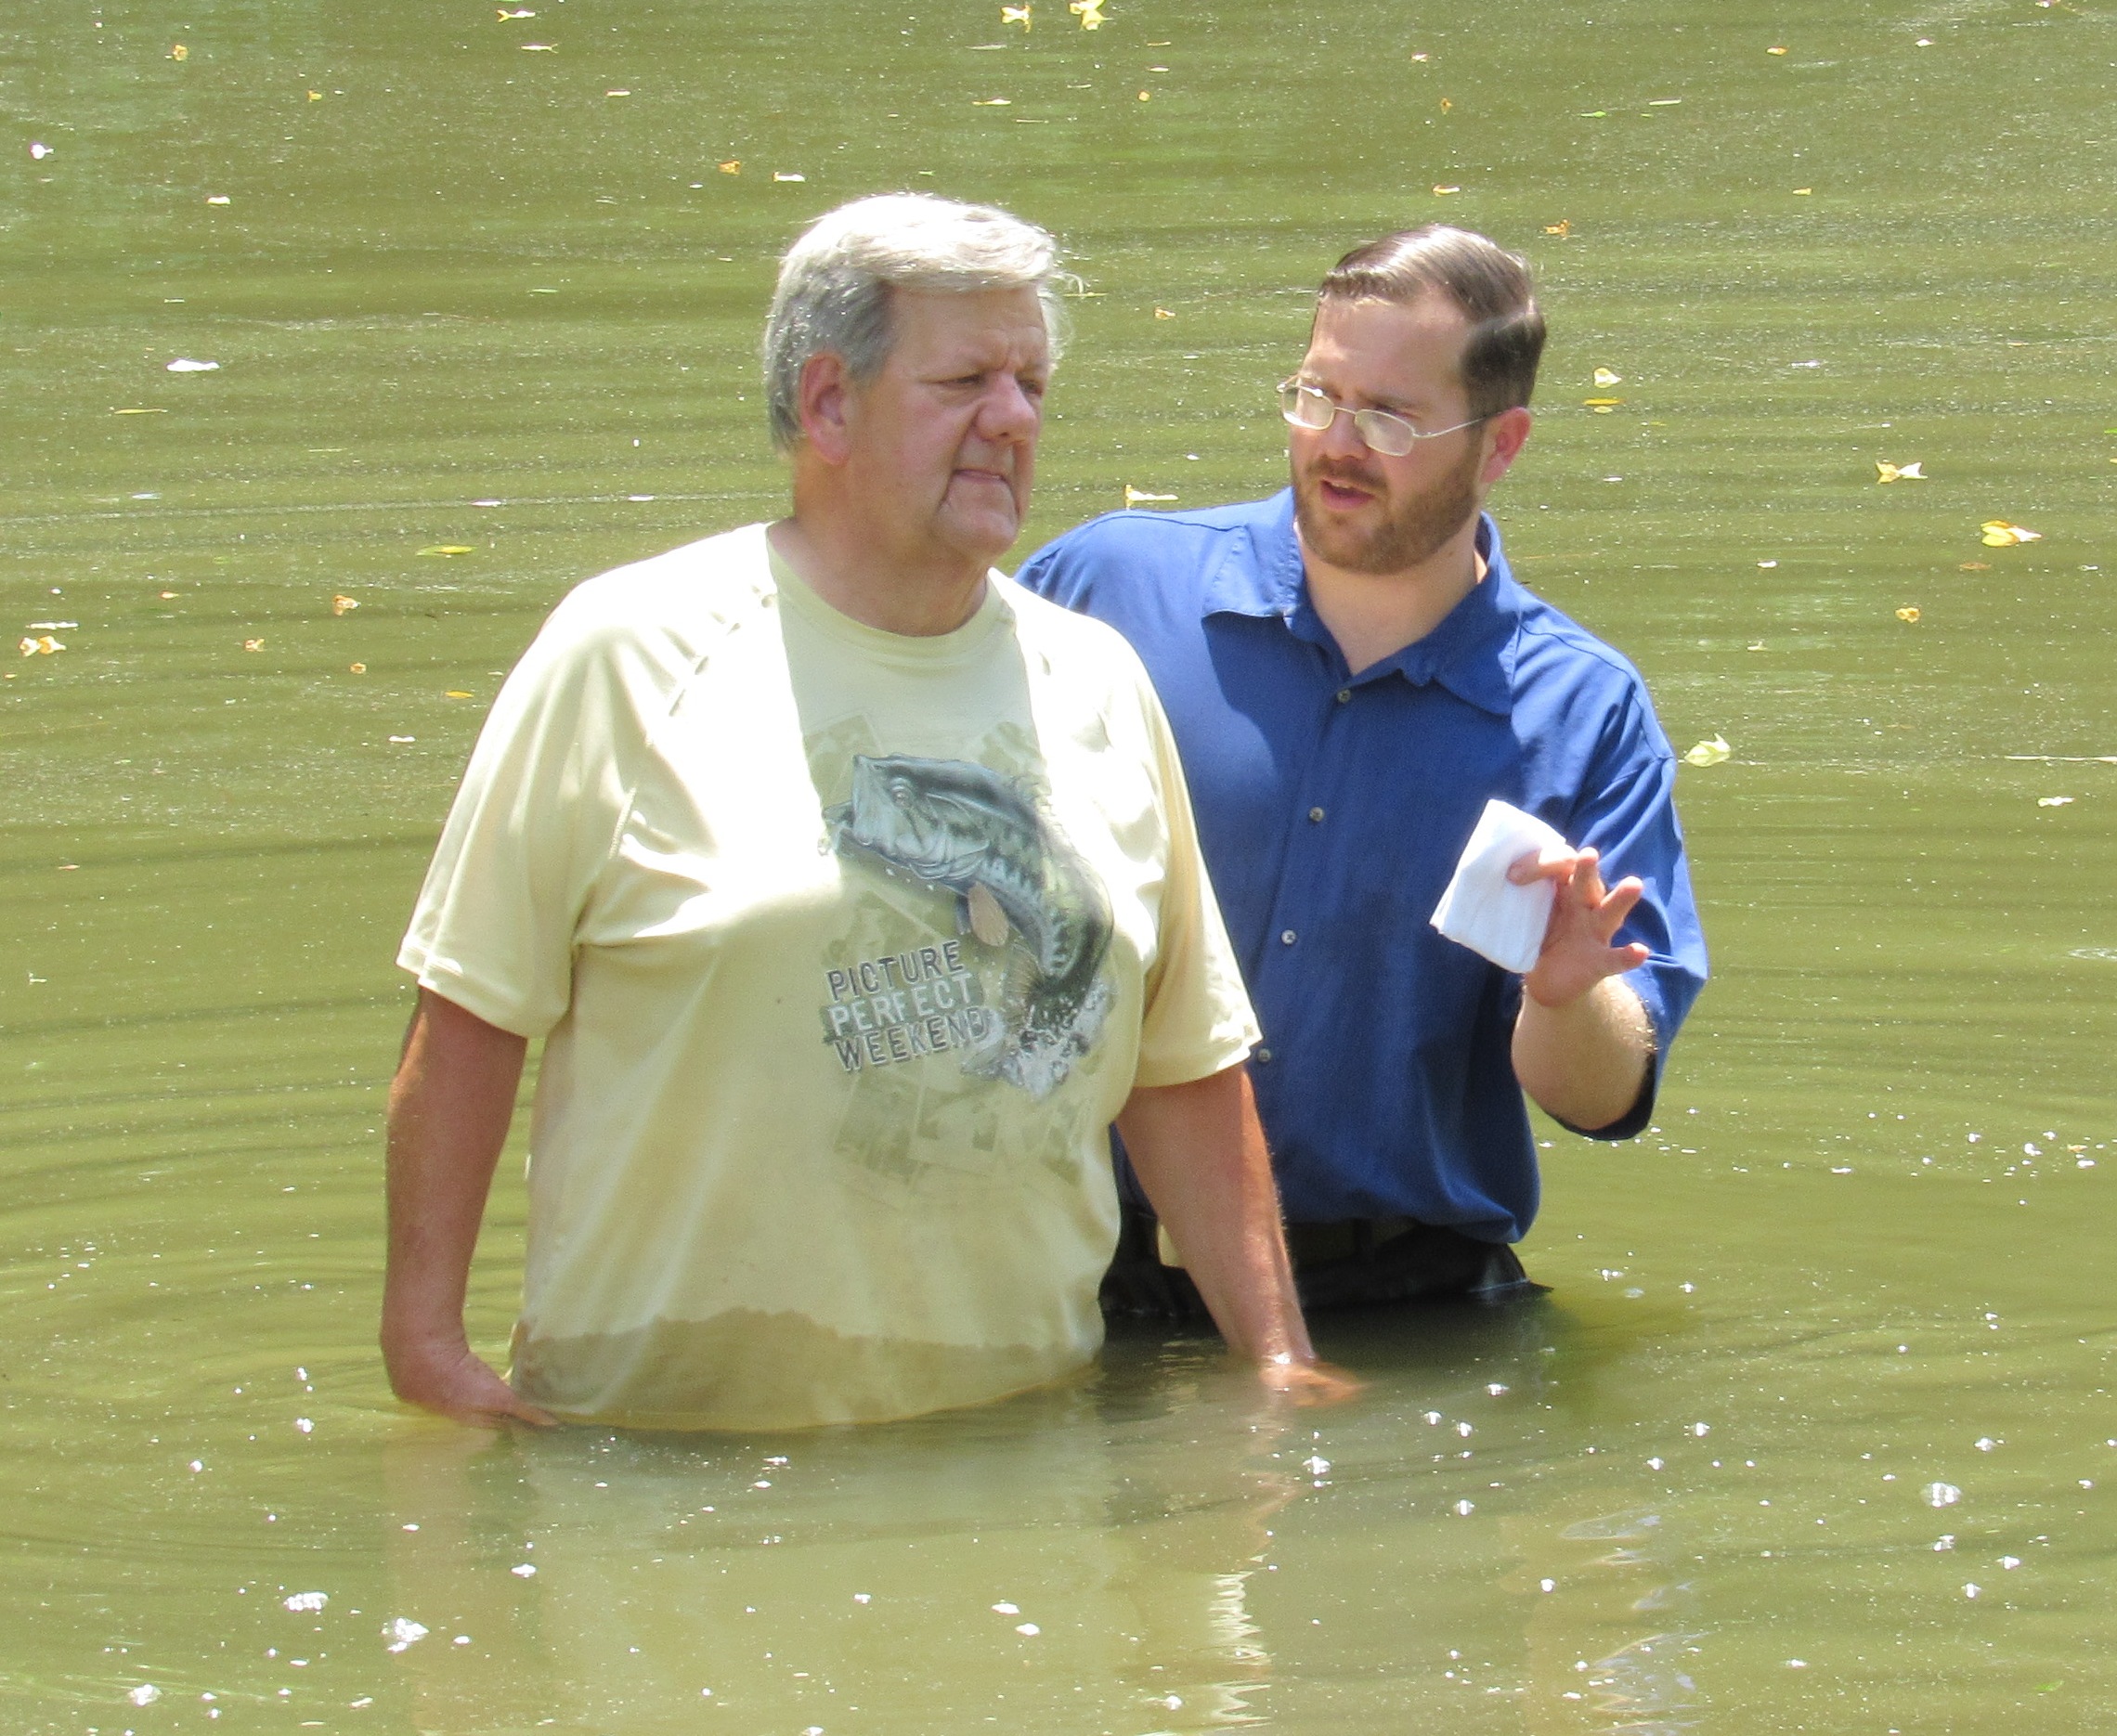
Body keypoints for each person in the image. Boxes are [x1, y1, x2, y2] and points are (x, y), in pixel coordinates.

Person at [381, 192, 1352, 1431]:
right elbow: (470, 1007)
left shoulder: (1097, 679)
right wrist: (424, 1344)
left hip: (1023, 1448)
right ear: (830, 402)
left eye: (1031, 383)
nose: (1012, 419)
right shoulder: (625, 653)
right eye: (964, 382)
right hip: (665, 1454)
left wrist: (1275, 1357)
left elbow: (1178, 1069)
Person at [1016, 225, 1708, 1313]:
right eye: (1317, 397)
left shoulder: (1582, 712)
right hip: (1074, 1284)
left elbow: (1603, 1097)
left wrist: (1567, 997)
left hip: (1401, 1317)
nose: (1337, 443)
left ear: (1503, 444)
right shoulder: (1107, 591)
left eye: (1390, 417)